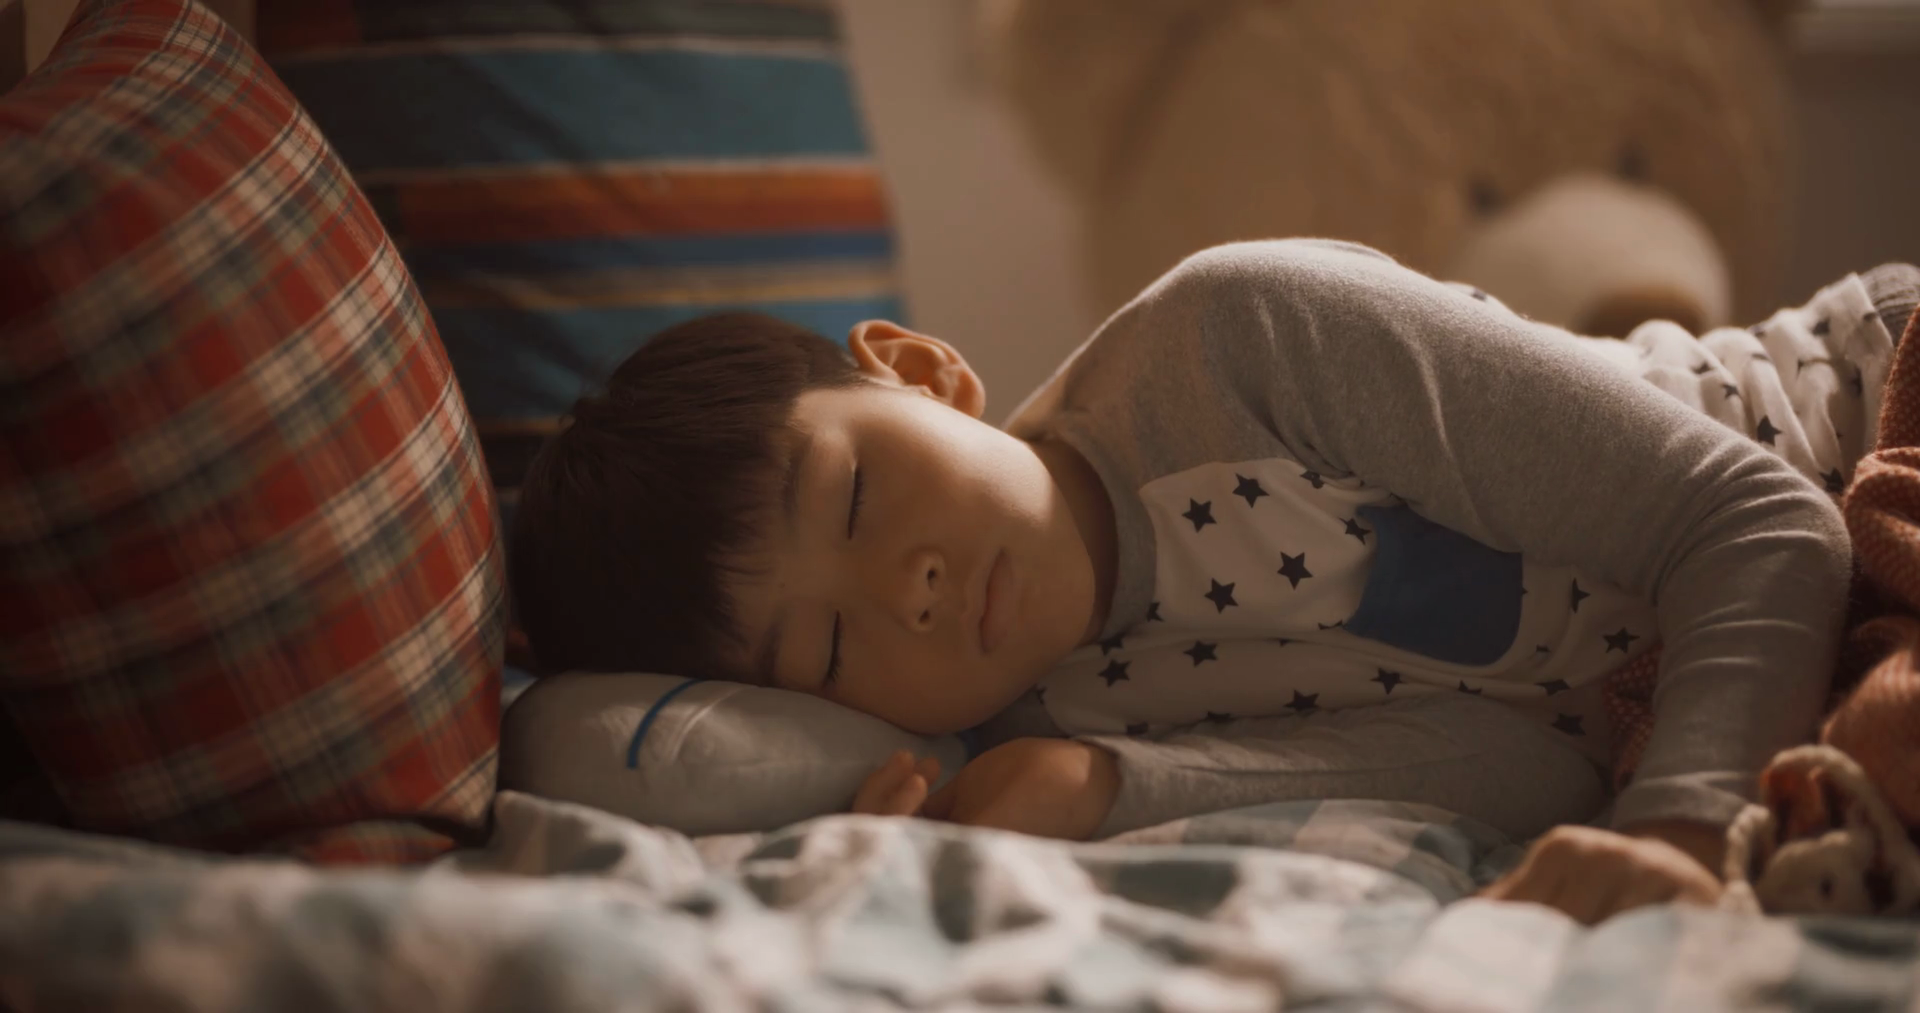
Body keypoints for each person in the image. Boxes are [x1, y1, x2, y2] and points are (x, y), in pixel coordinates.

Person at [509, 239, 1919, 924]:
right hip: (1780, 664)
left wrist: (1677, 838)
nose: (914, 589)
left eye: (862, 496)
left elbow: (1762, 527)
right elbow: (1532, 758)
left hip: (1855, 436)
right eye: (826, 647)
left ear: (925, 375)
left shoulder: (1242, 336)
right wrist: (1104, 794)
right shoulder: (1065, 720)